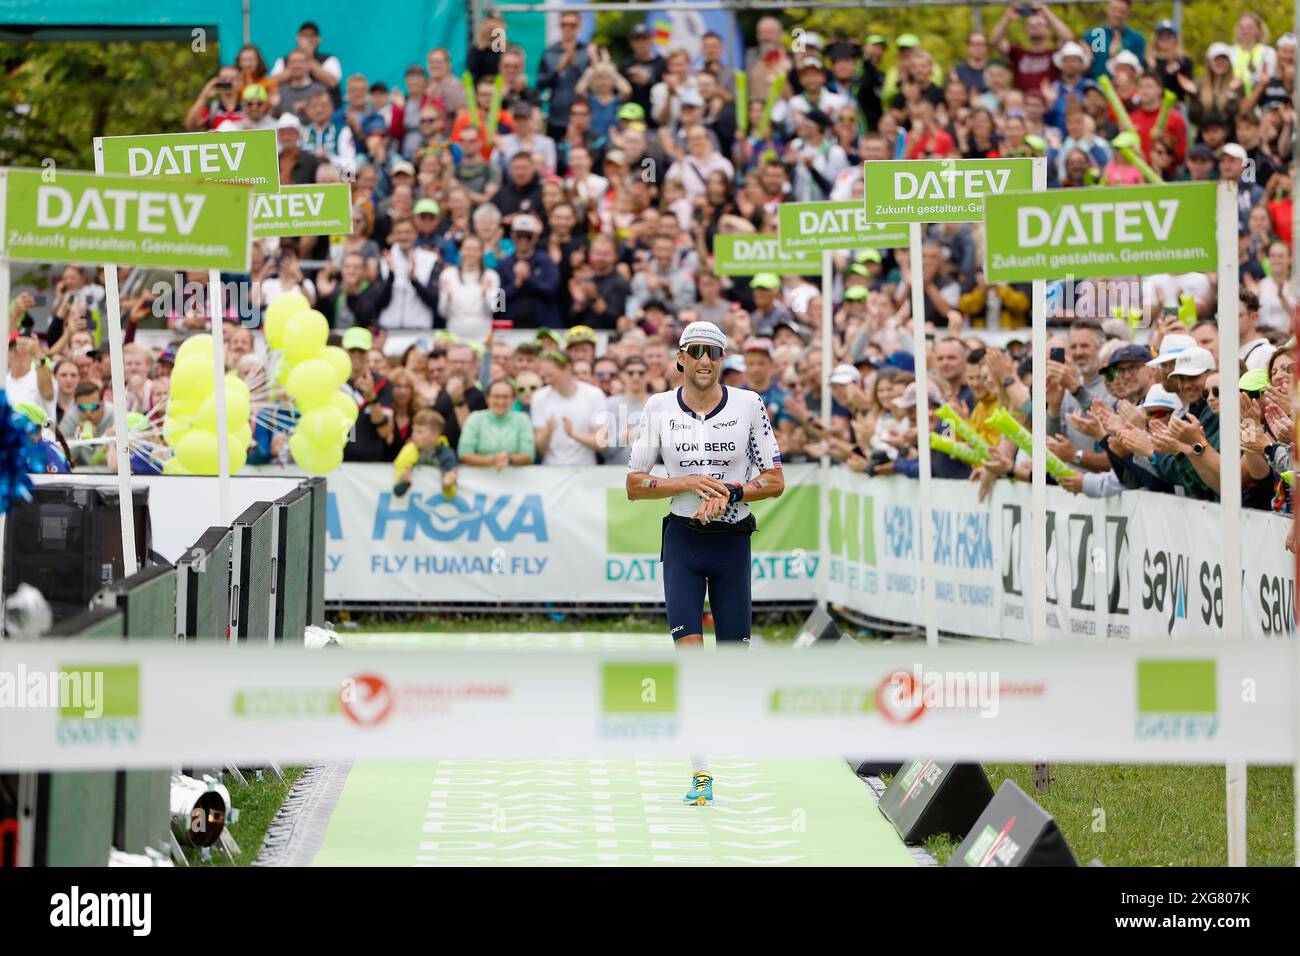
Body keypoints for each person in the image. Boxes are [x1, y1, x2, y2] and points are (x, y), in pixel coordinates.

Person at [625, 321, 784, 807]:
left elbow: (775, 481)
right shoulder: (657, 408)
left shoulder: (748, 405)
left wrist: (731, 490)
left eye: (712, 352)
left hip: (733, 541)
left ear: (722, 360)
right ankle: (701, 773)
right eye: (694, 351)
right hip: (683, 543)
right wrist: (690, 482)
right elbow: (634, 484)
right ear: (680, 359)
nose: (703, 360)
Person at [530, 349, 607, 465]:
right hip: (550, 470)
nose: (546, 380)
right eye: (543, 376)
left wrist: (573, 434)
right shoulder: (539, 397)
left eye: (550, 374)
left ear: (567, 368)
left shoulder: (594, 394)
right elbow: (540, 449)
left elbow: (602, 444)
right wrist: (548, 431)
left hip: (586, 470)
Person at [458, 379, 537, 467]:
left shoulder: (522, 419)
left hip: (515, 478)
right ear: (487, 398)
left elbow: (529, 456)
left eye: (505, 397)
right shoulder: (475, 418)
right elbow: (464, 454)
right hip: (479, 478)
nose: (501, 402)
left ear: (513, 399)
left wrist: (510, 458)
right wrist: (493, 460)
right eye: (496, 396)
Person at [391, 408, 459, 499]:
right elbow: (397, 492)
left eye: (419, 432)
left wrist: (447, 485)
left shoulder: (446, 454)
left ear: (434, 436)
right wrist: (404, 482)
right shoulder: (408, 451)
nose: (413, 435)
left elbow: (451, 494)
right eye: (413, 430)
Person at [57, 380, 115, 467]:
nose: (88, 412)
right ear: (76, 405)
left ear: (102, 405)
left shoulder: (114, 416)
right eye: (82, 407)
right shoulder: (72, 417)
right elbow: (58, 454)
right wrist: (78, 439)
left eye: (94, 407)